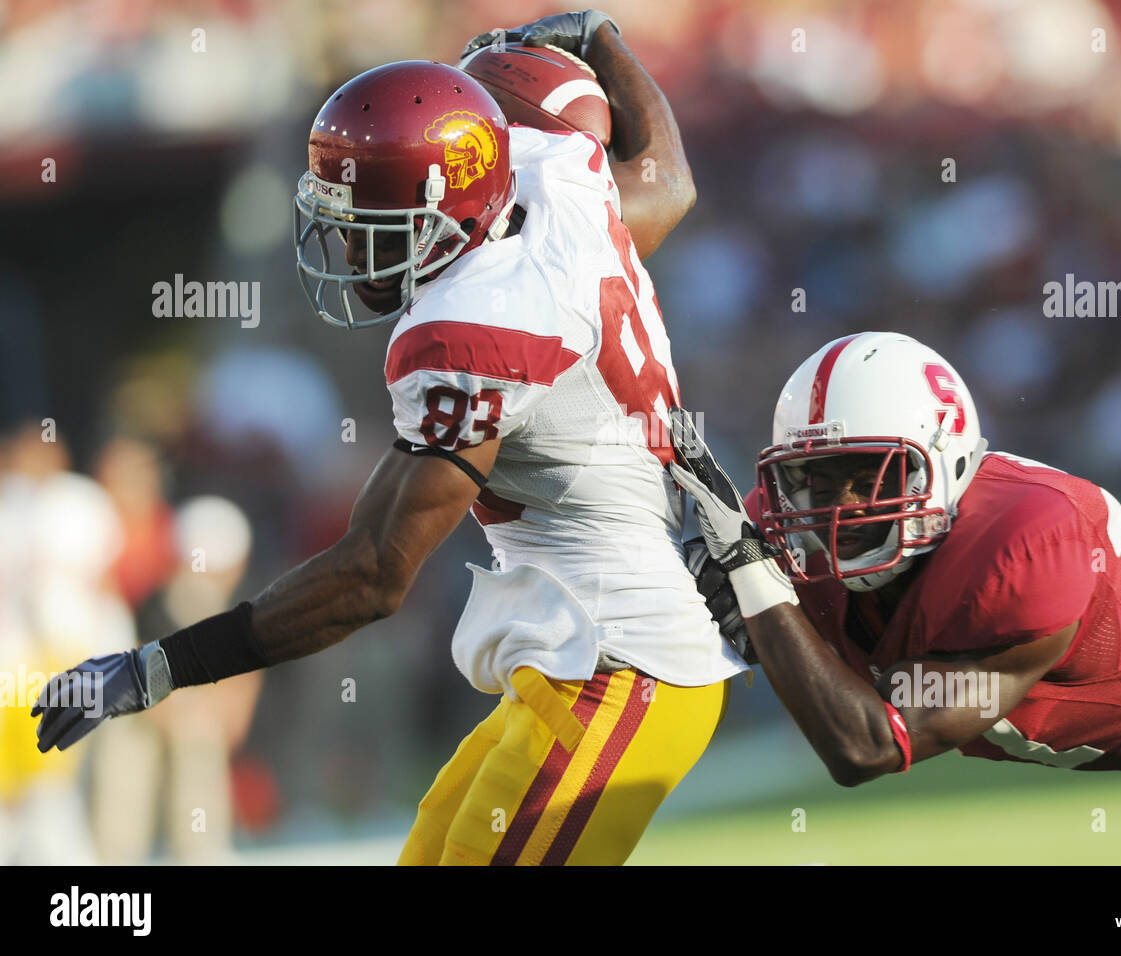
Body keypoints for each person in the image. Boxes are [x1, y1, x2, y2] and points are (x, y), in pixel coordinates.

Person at [33, 11, 746, 866]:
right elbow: (668, 180)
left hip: (623, 663)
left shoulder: (477, 328)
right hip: (571, 662)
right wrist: (601, 40)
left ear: (448, 214)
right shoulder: (564, 190)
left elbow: (373, 574)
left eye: (372, 223)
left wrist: (160, 666)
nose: (346, 248)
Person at [672, 331, 1121, 792]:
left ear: (946, 461)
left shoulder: (1029, 542)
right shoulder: (777, 533)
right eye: (817, 480)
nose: (845, 508)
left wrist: (762, 596)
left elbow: (864, 749)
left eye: (870, 475)